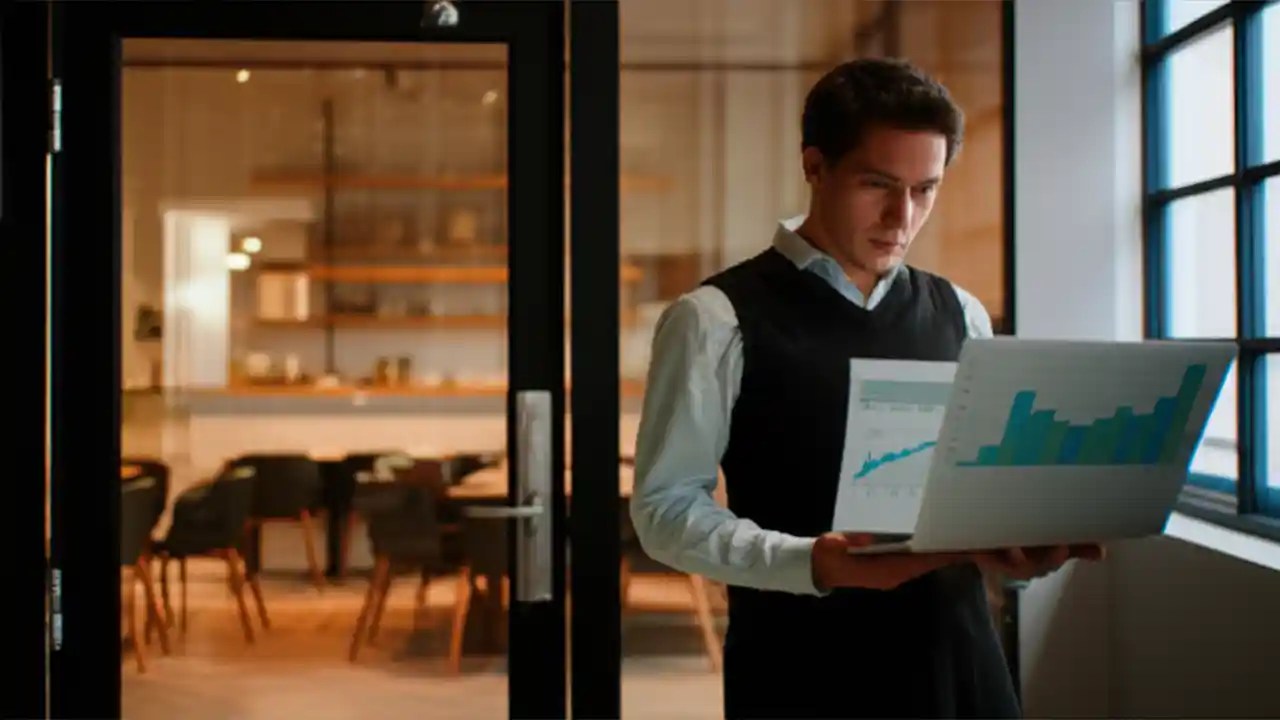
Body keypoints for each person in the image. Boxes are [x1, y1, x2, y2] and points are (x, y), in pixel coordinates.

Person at [629, 58, 1105, 719]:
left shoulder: (959, 312)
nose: (901, 217)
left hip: (959, 665)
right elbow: (664, 513)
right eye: (877, 184)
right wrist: (811, 562)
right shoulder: (715, 318)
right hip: (802, 672)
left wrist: (1019, 547)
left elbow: (980, 489)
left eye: (924, 190)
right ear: (815, 166)